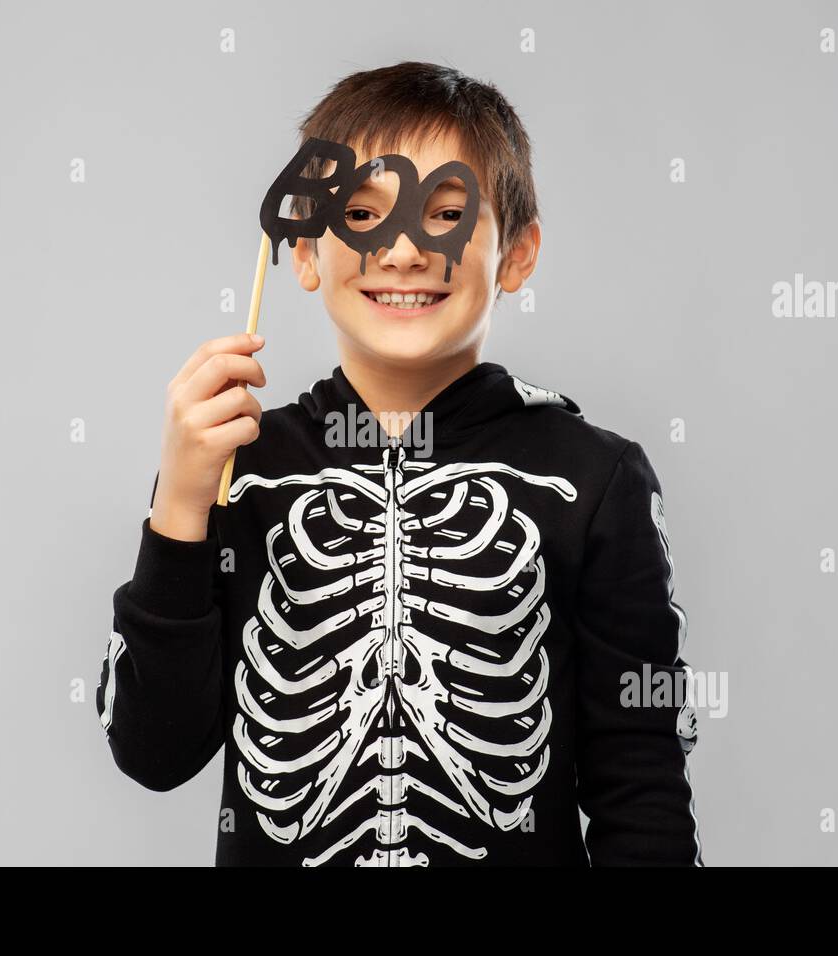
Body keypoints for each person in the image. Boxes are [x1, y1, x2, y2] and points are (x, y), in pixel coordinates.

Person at [95, 61, 704, 867]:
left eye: (448, 213)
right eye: (360, 213)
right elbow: (154, 752)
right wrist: (179, 503)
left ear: (517, 256)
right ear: (305, 253)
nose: (405, 248)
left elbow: (644, 796)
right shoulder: (233, 466)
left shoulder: (592, 479)